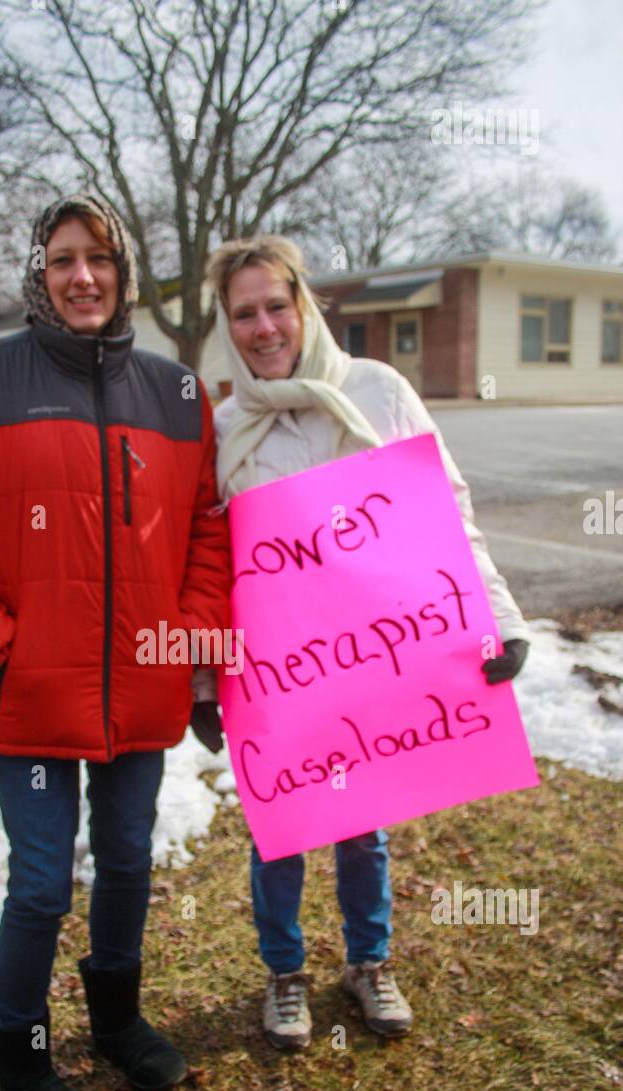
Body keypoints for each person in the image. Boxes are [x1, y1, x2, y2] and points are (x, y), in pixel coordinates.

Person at [0, 193, 231, 1091]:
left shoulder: (176, 393)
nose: (83, 275)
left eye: (101, 258)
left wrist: (192, 639)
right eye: (62, 258)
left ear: (124, 272)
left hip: (146, 687)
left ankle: (116, 1024)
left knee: (127, 861)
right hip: (29, 693)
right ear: (38, 272)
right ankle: (25, 1059)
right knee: (41, 884)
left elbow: (208, 527)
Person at [192, 235, 529, 1050]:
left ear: (304, 302)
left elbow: (444, 504)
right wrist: (203, 685)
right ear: (225, 326)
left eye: (277, 304)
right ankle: (284, 974)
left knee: (364, 822)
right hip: (282, 671)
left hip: (381, 654)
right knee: (283, 825)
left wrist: (500, 617)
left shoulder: (378, 391)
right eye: (245, 313)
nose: (264, 325)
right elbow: (204, 564)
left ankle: (369, 962)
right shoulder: (222, 425)